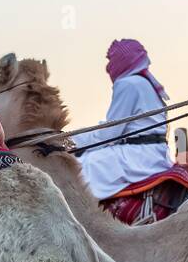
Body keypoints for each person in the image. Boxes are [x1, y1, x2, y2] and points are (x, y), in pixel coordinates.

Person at [75, 39, 175, 199]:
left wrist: (71, 140)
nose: (109, 66)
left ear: (122, 60)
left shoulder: (128, 84)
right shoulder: (145, 83)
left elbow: (109, 134)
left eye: (111, 60)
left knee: (78, 169)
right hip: (154, 154)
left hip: (137, 156)